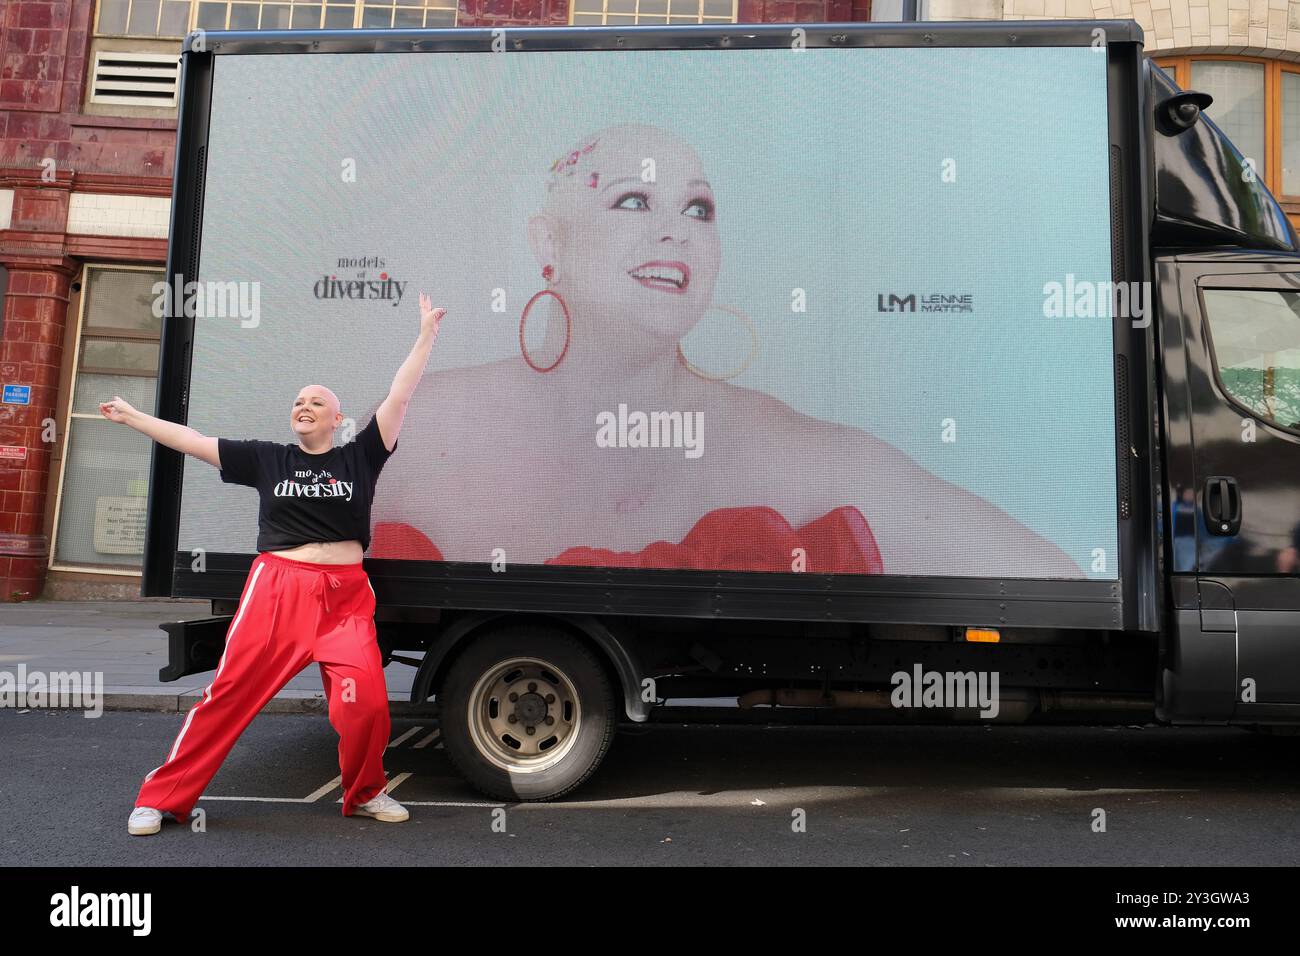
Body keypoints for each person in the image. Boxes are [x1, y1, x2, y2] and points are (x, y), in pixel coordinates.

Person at [373, 123, 1083, 578]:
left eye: (698, 209)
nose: (676, 231)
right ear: (548, 245)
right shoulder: (426, 421)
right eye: (632, 201)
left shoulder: (790, 449)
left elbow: (1053, 583)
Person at [103, 292, 446, 836]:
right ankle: (162, 798)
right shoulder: (267, 458)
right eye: (296, 401)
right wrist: (133, 416)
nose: (302, 406)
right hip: (279, 591)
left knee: (366, 705)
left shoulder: (361, 455)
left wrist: (425, 334)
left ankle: (363, 793)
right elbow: (192, 441)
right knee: (230, 695)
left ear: (337, 417)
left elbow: (399, 396)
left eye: (315, 401)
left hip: (344, 599)